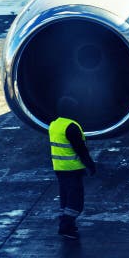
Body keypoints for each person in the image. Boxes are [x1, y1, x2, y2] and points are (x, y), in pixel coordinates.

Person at [49, 97, 96, 240]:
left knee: (65, 199)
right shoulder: (72, 127)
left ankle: (68, 225)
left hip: (59, 168)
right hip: (72, 169)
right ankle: (65, 227)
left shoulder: (54, 124)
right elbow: (81, 149)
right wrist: (90, 165)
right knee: (76, 202)